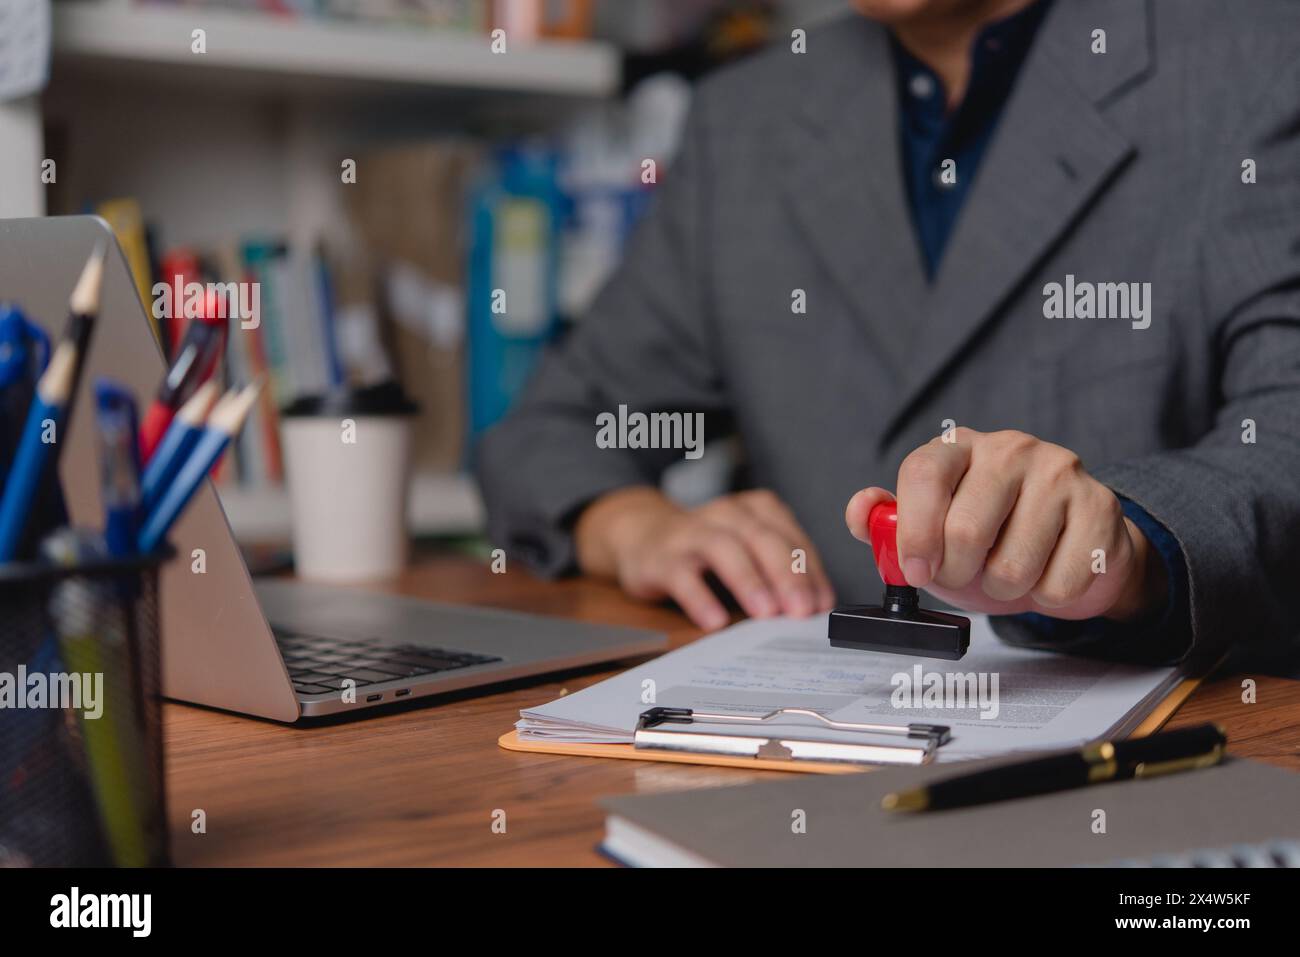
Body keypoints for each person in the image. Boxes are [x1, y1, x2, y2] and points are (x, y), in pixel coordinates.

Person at [476, 0, 1300, 667]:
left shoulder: (1260, 60)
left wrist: (1131, 543)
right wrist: (633, 525)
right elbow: (548, 429)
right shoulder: (745, 119)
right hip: (806, 749)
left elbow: (1286, 437)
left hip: (1160, 762)